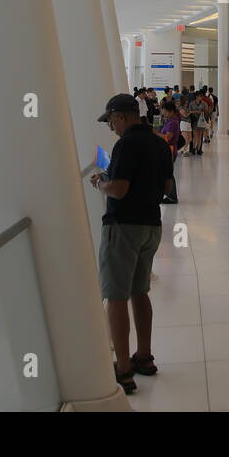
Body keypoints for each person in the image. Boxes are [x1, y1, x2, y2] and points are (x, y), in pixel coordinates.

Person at [90, 94, 174, 394]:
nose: (111, 127)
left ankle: (123, 368)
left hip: (123, 227)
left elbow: (120, 189)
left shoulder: (125, 144)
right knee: (140, 291)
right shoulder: (159, 143)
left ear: (122, 116)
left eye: (111, 120)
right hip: (152, 226)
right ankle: (144, 356)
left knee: (115, 296)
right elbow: (167, 186)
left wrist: (100, 182)